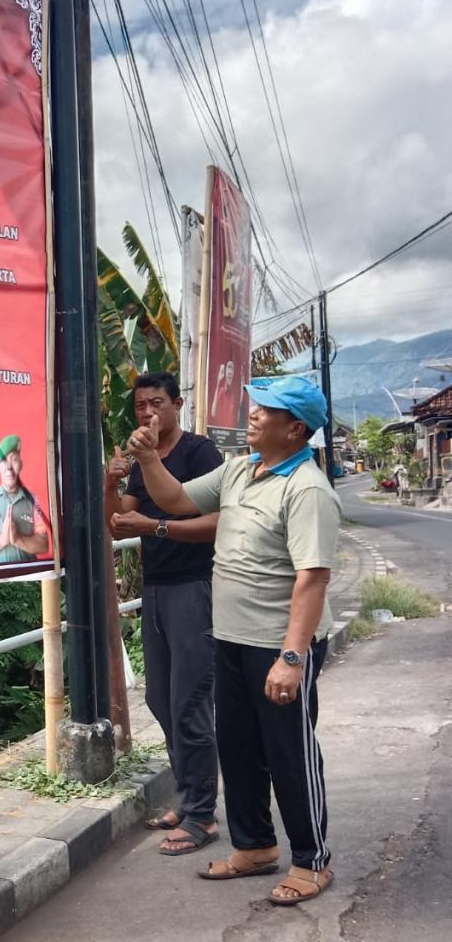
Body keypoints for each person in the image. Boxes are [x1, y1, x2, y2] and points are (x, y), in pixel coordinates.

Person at [127, 374, 341, 905]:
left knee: (289, 753)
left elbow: (312, 579)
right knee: (240, 750)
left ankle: (312, 861)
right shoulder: (242, 469)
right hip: (231, 639)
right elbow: (176, 501)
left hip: (278, 645)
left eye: (265, 409)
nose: (253, 413)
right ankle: (254, 846)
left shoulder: (308, 490)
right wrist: (151, 459)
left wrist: (292, 657)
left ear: (295, 429)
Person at [104, 372, 224, 856]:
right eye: (139, 406)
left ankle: (202, 816)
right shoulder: (138, 462)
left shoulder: (200, 454)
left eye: (156, 403)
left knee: (190, 703)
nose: (147, 412)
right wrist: (112, 482)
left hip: (194, 589)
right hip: (156, 591)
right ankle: (189, 793)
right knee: (158, 698)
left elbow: (212, 524)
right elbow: (116, 524)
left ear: (177, 404)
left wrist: (154, 527)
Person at [0, 434, 50, 564]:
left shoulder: (33, 500)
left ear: (21, 464)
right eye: (4, 461)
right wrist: (2, 540)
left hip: (26, 579)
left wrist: (18, 539)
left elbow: (44, 545)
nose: (9, 467)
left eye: (14, 460)